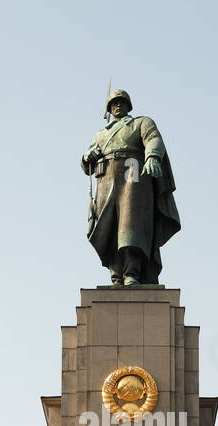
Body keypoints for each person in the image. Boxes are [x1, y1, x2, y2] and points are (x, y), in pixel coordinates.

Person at [80, 89, 181, 286]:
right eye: (114, 104)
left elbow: (153, 139)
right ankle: (116, 276)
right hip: (105, 180)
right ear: (109, 109)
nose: (118, 106)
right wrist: (87, 157)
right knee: (109, 229)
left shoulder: (141, 123)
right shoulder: (101, 134)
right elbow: (86, 164)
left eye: (122, 103)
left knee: (130, 227)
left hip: (132, 177)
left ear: (128, 106)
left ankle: (131, 273)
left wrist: (152, 156)